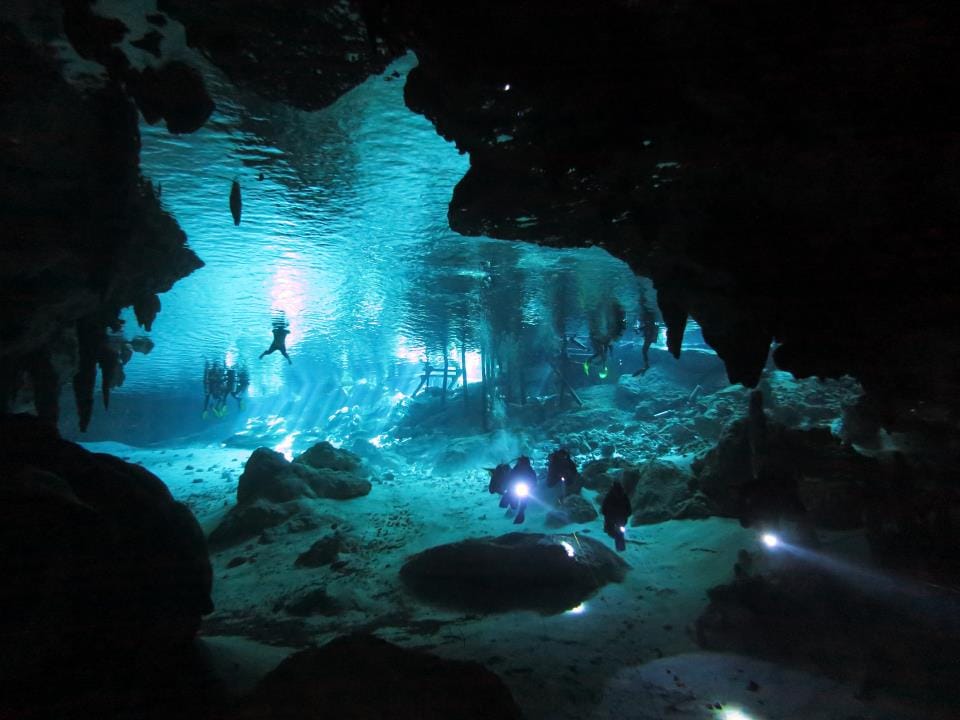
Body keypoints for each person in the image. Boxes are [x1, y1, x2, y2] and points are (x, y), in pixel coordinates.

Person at [601, 481, 632, 551]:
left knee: (614, 532)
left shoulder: (609, 496)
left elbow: (604, 509)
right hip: (621, 519)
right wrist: (625, 516)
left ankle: (619, 548)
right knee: (620, 533)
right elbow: (629, 509)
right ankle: (620, 548)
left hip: (612, 519)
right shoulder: (624, 496)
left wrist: (607, 516)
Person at [507, 455, 537, 524]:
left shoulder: (529, 469)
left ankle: (520, 514)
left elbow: (534, 479)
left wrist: (532, 486)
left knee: (524, 501)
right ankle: (514, 509)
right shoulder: (516, 469)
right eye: (522, 463)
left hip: (525, 487)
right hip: (516, 486)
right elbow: (510, 477)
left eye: (524, 463)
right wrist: (511, 485)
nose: (523, 465)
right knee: (513, 500)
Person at [632, 308, 660, 375]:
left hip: (649, 338)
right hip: (649, 338)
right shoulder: (648, 324)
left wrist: (638, 329)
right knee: (644, 350)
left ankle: (646, 365)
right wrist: (638, 330)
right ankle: (646, 365)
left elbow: (643, 328)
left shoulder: (648, 324)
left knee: (644, 350)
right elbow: (642, 329)